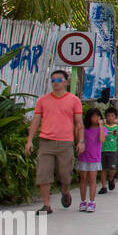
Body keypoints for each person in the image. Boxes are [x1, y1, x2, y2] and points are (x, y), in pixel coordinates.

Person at [24, 69, 84, 213]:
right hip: (46, 142)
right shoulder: (43, 100)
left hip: (66, 142)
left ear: (66, 82)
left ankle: (65, 190)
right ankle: (46, 205)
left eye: (59, 80)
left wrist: (80, 141)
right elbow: (36, 120)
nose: (55, 83)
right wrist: (29, 140)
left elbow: (78, 123)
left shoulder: (74, 100)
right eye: (53, 80)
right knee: (43, 173)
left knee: (65, 175)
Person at [77, 107, 106, 212]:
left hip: (94, 157)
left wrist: (101, 126)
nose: (96, 118)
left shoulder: (101, 128)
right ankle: (83, 201)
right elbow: (78, 138)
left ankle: (92, 202)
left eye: (98, 116)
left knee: (92, 179)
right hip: (83, 156)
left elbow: (102, 139)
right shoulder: (84, 129)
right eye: (94, 116)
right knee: (83, 179)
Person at [100, 106, 118, 193]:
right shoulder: (103, 126)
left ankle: (110, 179)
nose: (110, 118)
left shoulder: (117, 128)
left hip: (113, 150)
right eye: (108, 116)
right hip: (103, 150)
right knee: (103, 168)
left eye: (112, 116)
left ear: (115, 117)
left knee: (112, 168)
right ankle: (103, 186)